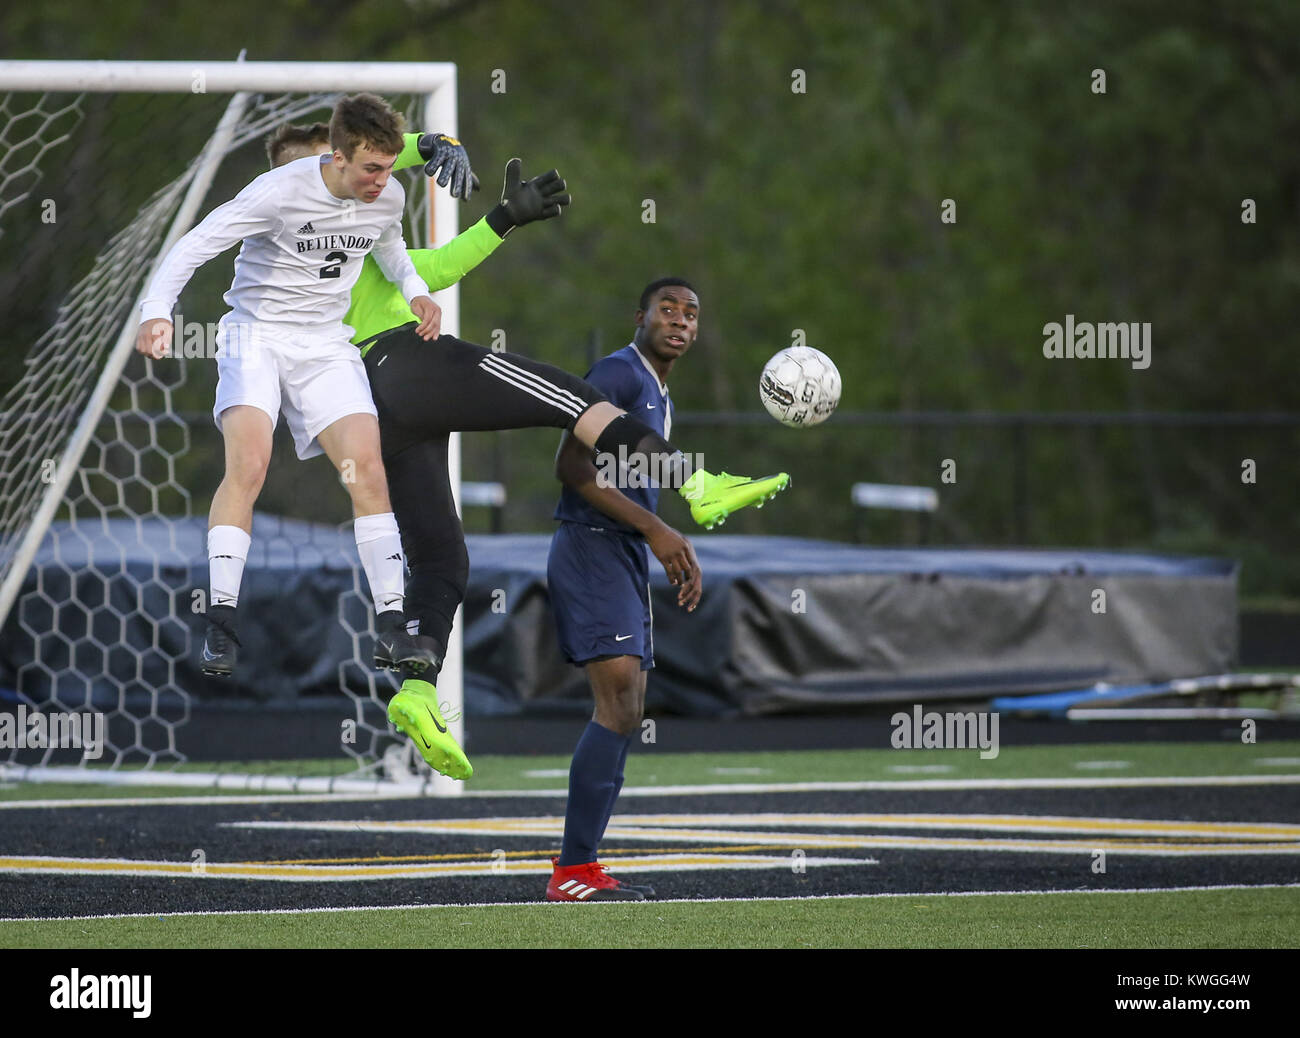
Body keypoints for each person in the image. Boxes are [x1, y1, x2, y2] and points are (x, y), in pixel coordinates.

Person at [272, 129, 790, 782]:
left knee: (441, 557)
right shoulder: (322, 212)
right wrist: (427, 141)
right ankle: (698, 482)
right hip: (404, 366)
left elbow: (431, 269)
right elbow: (400, 168)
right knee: (567, 394)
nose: (348, 171)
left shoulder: (289, 254)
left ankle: (416, 691)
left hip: (366, 408)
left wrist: (503, 218)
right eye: (332, 162)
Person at [134, 94, 439, 682]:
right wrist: (157, 310)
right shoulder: (280, 190)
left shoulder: (388, 194)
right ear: (338, 156)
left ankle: (394, 625)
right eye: (372, 168)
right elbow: (198, 242)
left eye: (390, 166)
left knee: (368, 473)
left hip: (325, 344)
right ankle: (221, 619)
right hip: (257, 337)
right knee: (249, 467)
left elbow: (391, 246)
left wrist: (418, 287)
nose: (384, 180)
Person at [544, 277, 713, 902]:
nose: (680, 320)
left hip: (619, 552)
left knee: (628, 709)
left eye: (691, 313)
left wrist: (660, 538)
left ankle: (583, 867)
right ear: (639, 316)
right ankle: (573, 871)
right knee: (616, 706)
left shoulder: (659, 389)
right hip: (590, 546)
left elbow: (639, 482)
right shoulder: (618, 372)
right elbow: (570, 467)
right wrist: (658, 529)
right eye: (667, 309)